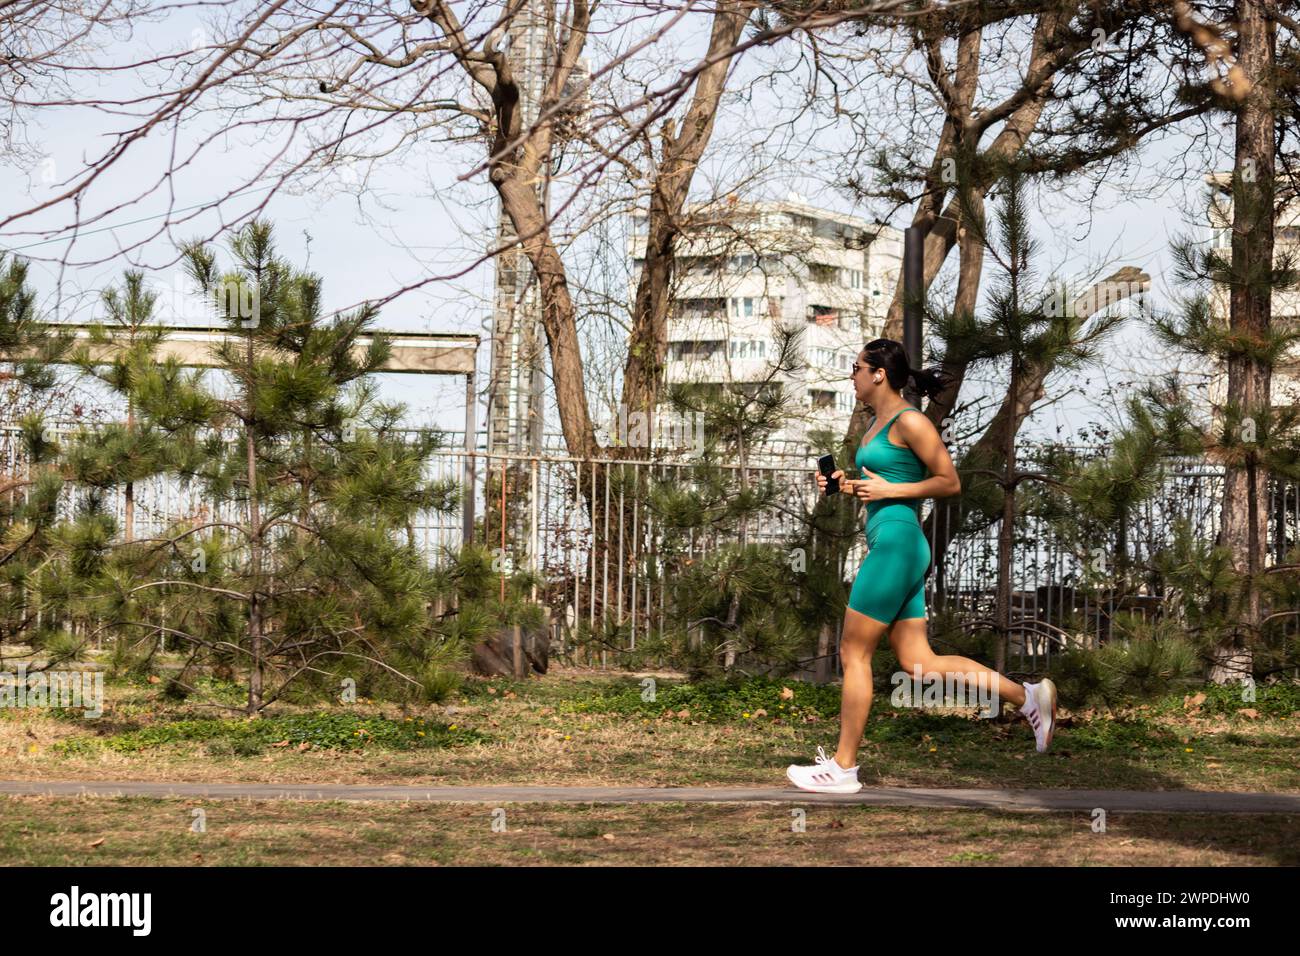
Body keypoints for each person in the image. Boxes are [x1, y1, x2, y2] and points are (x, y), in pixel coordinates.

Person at [786, 338, 1057, 794]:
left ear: (878, 374)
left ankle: (843, 768)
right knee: (919, 664)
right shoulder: (876, 425)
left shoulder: (910, 420)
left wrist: (890, 492)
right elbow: (886, 483)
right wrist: (844, 486)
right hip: (896, 544)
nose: (851, 375)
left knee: (854, 654)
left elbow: (947, 481)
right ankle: (1027, 696)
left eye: (856, 367)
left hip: (896, 545)